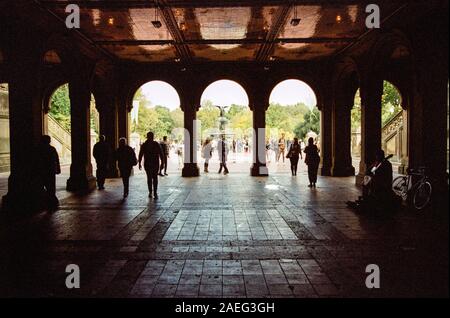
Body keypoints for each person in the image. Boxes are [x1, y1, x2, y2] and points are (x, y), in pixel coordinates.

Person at [36, 135, 61, 210]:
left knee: (41, 186)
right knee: (51, 187)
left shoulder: (38, 149)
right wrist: (58, 168)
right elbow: (56, 160)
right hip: (50, 170)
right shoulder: (52, 149)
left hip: (41, 170)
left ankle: (45, 201)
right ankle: (52, 201)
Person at [139, 132, 163, 199]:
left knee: (149, 178)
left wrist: (140, 163)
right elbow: (161, 154)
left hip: (148, 164)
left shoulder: (144, 145)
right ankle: (154, 192)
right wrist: (162, 162)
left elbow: (140, 154)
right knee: (154, 178)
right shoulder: (156, 144)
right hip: (155, 163)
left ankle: (151, 192)